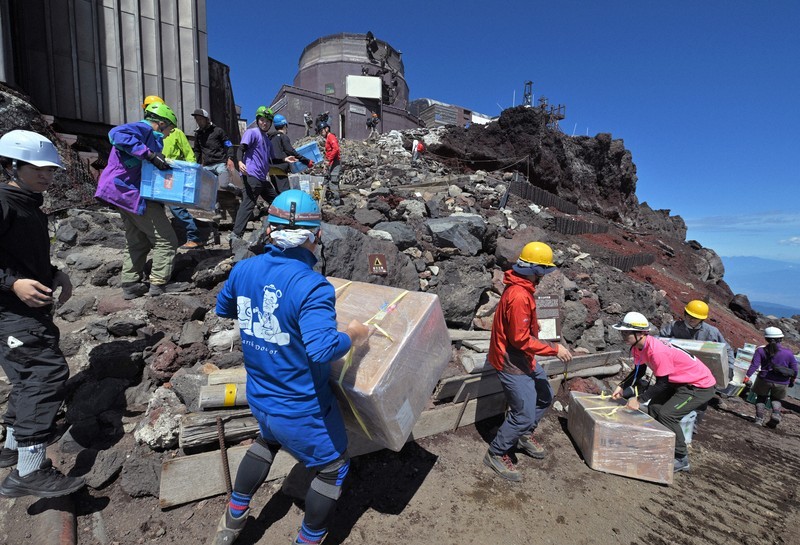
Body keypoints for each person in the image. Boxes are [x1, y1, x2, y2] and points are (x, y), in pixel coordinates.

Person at [211, 190, 370, 545]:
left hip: (261, 396)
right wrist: (354, 334)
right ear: (315, 238)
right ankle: (309, 539)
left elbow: (225, 309)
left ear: (269, 231)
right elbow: (323, 348)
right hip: (301, 407)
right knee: (333, 468)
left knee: (266, 442)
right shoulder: (312, 286)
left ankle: (234, 518)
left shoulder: (243, 269)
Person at [0, 130, 85, 497]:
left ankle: (10, 447)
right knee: (46, 373)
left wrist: (53, 273)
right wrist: (12, 284)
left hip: (26, 310)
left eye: (51, 170)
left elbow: (21, 255)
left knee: (25, 374)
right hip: (10, 311)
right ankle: (29, 471)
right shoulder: (4, 202)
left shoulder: (28, 203)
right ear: (13, 165)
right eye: (39, 169)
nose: (48, 176)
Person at [483, 242, 572, 482]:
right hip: (511, 361)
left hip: (523, 358)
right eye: (544, 271)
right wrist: (555, 349)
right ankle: (496, 452)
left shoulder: (522, 287)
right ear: (536, 270)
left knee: (544, 395)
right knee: (522, 412)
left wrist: (535, 324)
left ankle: (522, 434)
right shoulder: (520, 295)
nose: (544, 276)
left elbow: (519, 327)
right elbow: (520, 340)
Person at [95, 101, 181, 299]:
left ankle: (131, 283)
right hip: (129, 192)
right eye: (170, 128)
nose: (170, 133)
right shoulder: (143, 129)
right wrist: (149, 155)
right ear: (161, 123)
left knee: (138, 240)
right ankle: (159, 284)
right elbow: (116, 134)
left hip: (121, 192)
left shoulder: (151, 138)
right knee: (166, 240)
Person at [612, 311, 717, 473]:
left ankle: (681, 458)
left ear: (640, 333)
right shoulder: (637, 347)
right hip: (678, 381)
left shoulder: (657, 351)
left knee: (668, 414)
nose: (623, 336)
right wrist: (621, 386)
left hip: (699, 386)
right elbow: (639, 371)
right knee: (655, 408)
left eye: (626, 333)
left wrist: (638, 399)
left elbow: (662, 383)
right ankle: (661, 446)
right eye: (622, 332)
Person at [144, 96, 203, 249]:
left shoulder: (175, 132)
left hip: (172, 174)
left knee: (176, 208)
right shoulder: (149, 132)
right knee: (154, 207)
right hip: (155, 172)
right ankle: (157, 240)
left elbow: (188, 153)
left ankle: (195, 237)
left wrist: (191, 174)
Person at [231, 106, 276, 243]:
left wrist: (286, 159)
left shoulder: (267, 140)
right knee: (249, 203)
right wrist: (239, 162)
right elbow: (241, 149)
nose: (265, 123)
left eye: (268, 121)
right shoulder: (252, 132)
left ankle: (279, 227)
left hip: (262, 178)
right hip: (251, 174)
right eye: (262, 120)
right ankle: (236, 234)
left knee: (276, 201)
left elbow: (272, 160)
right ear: (257, 120)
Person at [660, 299, 735, 380]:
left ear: (702, 319)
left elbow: (727, 350)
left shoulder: (712, 332)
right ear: (685, 314)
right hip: (678, 366)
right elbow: (660, 340)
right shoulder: (674, 326)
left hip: (702, 369)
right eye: (689, 315)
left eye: (695, 317)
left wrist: (730, 367)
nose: (691, 319)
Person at [744, 327, 798, 427]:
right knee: (776, 399)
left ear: (766, 339)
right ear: (781, 339)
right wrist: (792, 380)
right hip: (782, 382)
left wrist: (747, 376)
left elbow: (754, 365)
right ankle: (776, 414)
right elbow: (794, 369)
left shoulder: (760, 351)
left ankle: (759, 419)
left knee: (761, 398)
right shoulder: (788, 353)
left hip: (764, 379)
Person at [192, 108, 238, 221]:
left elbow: (228, 144)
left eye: (200, 119)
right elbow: (197, 150)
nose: (198, 121)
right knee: (208, 188)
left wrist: (230, 158)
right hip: (207, 165)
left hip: (220, 163)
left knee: (223, 184)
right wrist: (196, 165)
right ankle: (216, 210)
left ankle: (237, 190)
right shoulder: (198, 134)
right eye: (197, 119)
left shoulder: (218, 131)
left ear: (206, 119)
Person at [269, 114, 314, 193]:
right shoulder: (283, 137)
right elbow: (291, 151)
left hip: (271, 170)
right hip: (281, 170)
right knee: (285, 194)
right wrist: (307, 161)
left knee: (278, 194)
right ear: (285, 126)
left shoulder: (271, 138)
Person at [318, 121, 342, 205]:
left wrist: (329, 161)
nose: (321, 133)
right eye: (320, 131)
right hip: (330, 163)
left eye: (322, 130)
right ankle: (329, 200)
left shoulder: (331, 136)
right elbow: (328, 152)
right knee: (326, 181)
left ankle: (336, 203)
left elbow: (336, 149)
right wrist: (326, 163)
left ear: (327, 129)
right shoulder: (327, 138)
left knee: (333, 182)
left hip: (334, 163)